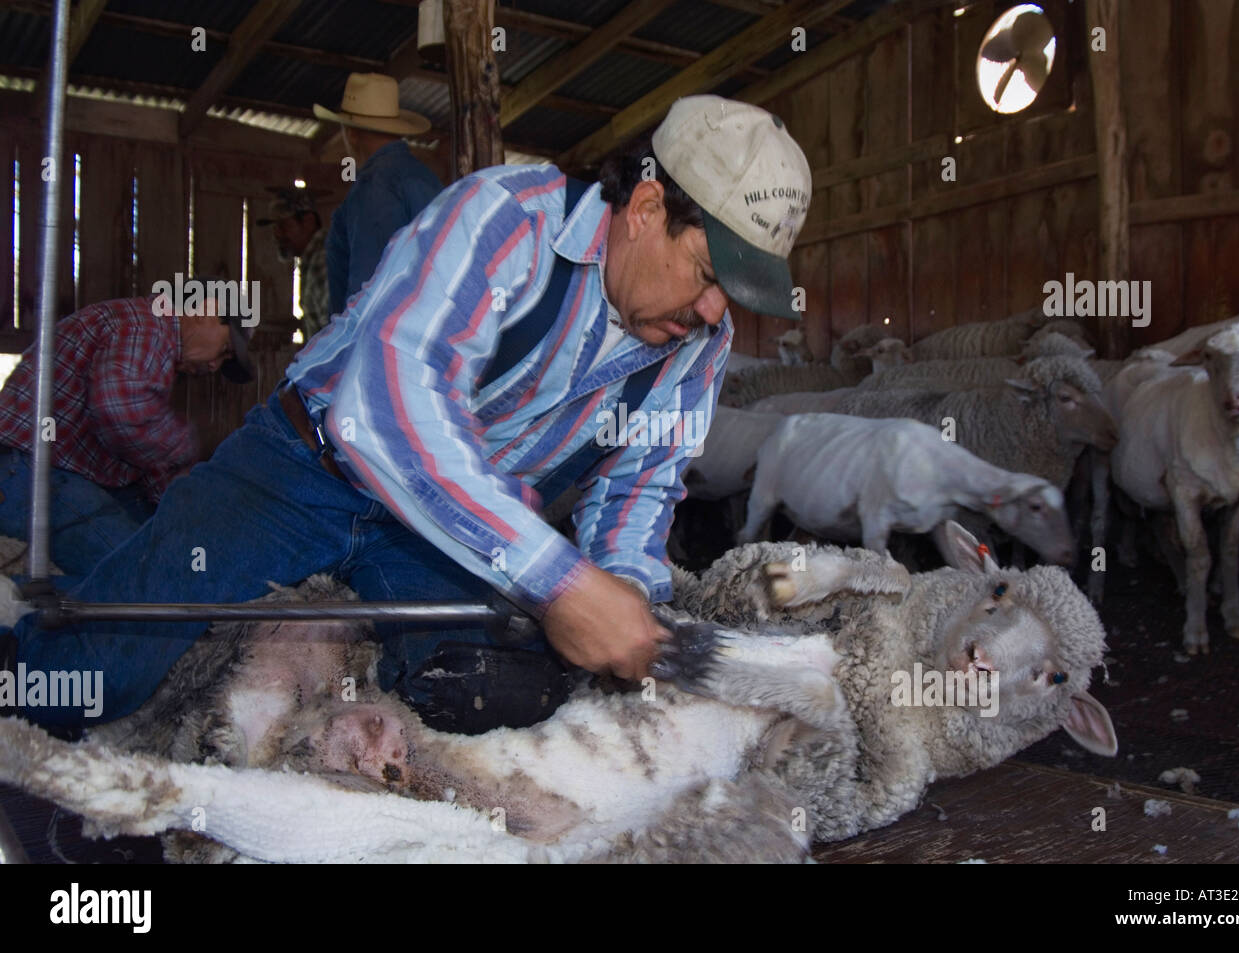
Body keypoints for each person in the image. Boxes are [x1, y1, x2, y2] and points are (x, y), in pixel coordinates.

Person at [5, 95, 811, 733]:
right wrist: (558, 578)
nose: (713, 310)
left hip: (454, 523)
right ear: (643, 207)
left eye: (732, 294)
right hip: (303, 466)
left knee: (484, 692)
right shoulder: (505, 221)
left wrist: (630, 615)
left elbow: (640, 484)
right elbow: (390, 405)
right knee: (101, 671)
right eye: (706, 272)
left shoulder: (698, 345)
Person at [0, 292, 254, 577]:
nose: (213, 367)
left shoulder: (152, 343)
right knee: (142, 574)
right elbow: (117, 410)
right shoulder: (145, 327)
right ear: (205, 311)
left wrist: (178, 502)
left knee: (170, 546)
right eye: (225, 351)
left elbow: (140, 453)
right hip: (27, 471)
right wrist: (184, 444)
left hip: (57, 471)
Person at [313, 72, 443, 316]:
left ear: (350, 133)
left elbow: (368, 292)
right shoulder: (427, 179)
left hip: (390, 341)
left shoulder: (374, 187)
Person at [256, 186, 329, 339]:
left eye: (283, 225)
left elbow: (333, 334)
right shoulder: (315, 258)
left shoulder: (322, 261)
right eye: (274, 227)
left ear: (308, 221)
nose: (276, 234)